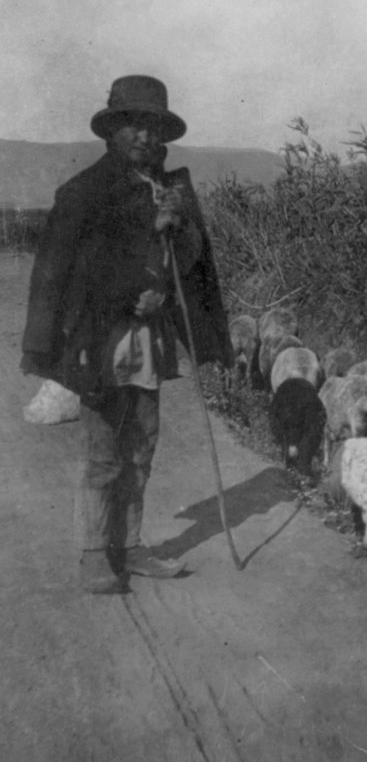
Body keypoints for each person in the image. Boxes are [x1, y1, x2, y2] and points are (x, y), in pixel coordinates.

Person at [20, 75, 233, 594]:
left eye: (153, 126)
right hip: (100, 342)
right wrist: (132, 283)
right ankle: (95, 553)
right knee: (103, 451)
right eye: (133, 124)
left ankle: (131, 545)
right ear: (111, 131)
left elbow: (187, 265)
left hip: (147, 344)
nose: (144, 135)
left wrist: (179, 232)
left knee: (141, 445)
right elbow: (68, 275)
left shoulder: (167, 190)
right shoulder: (85, 193)